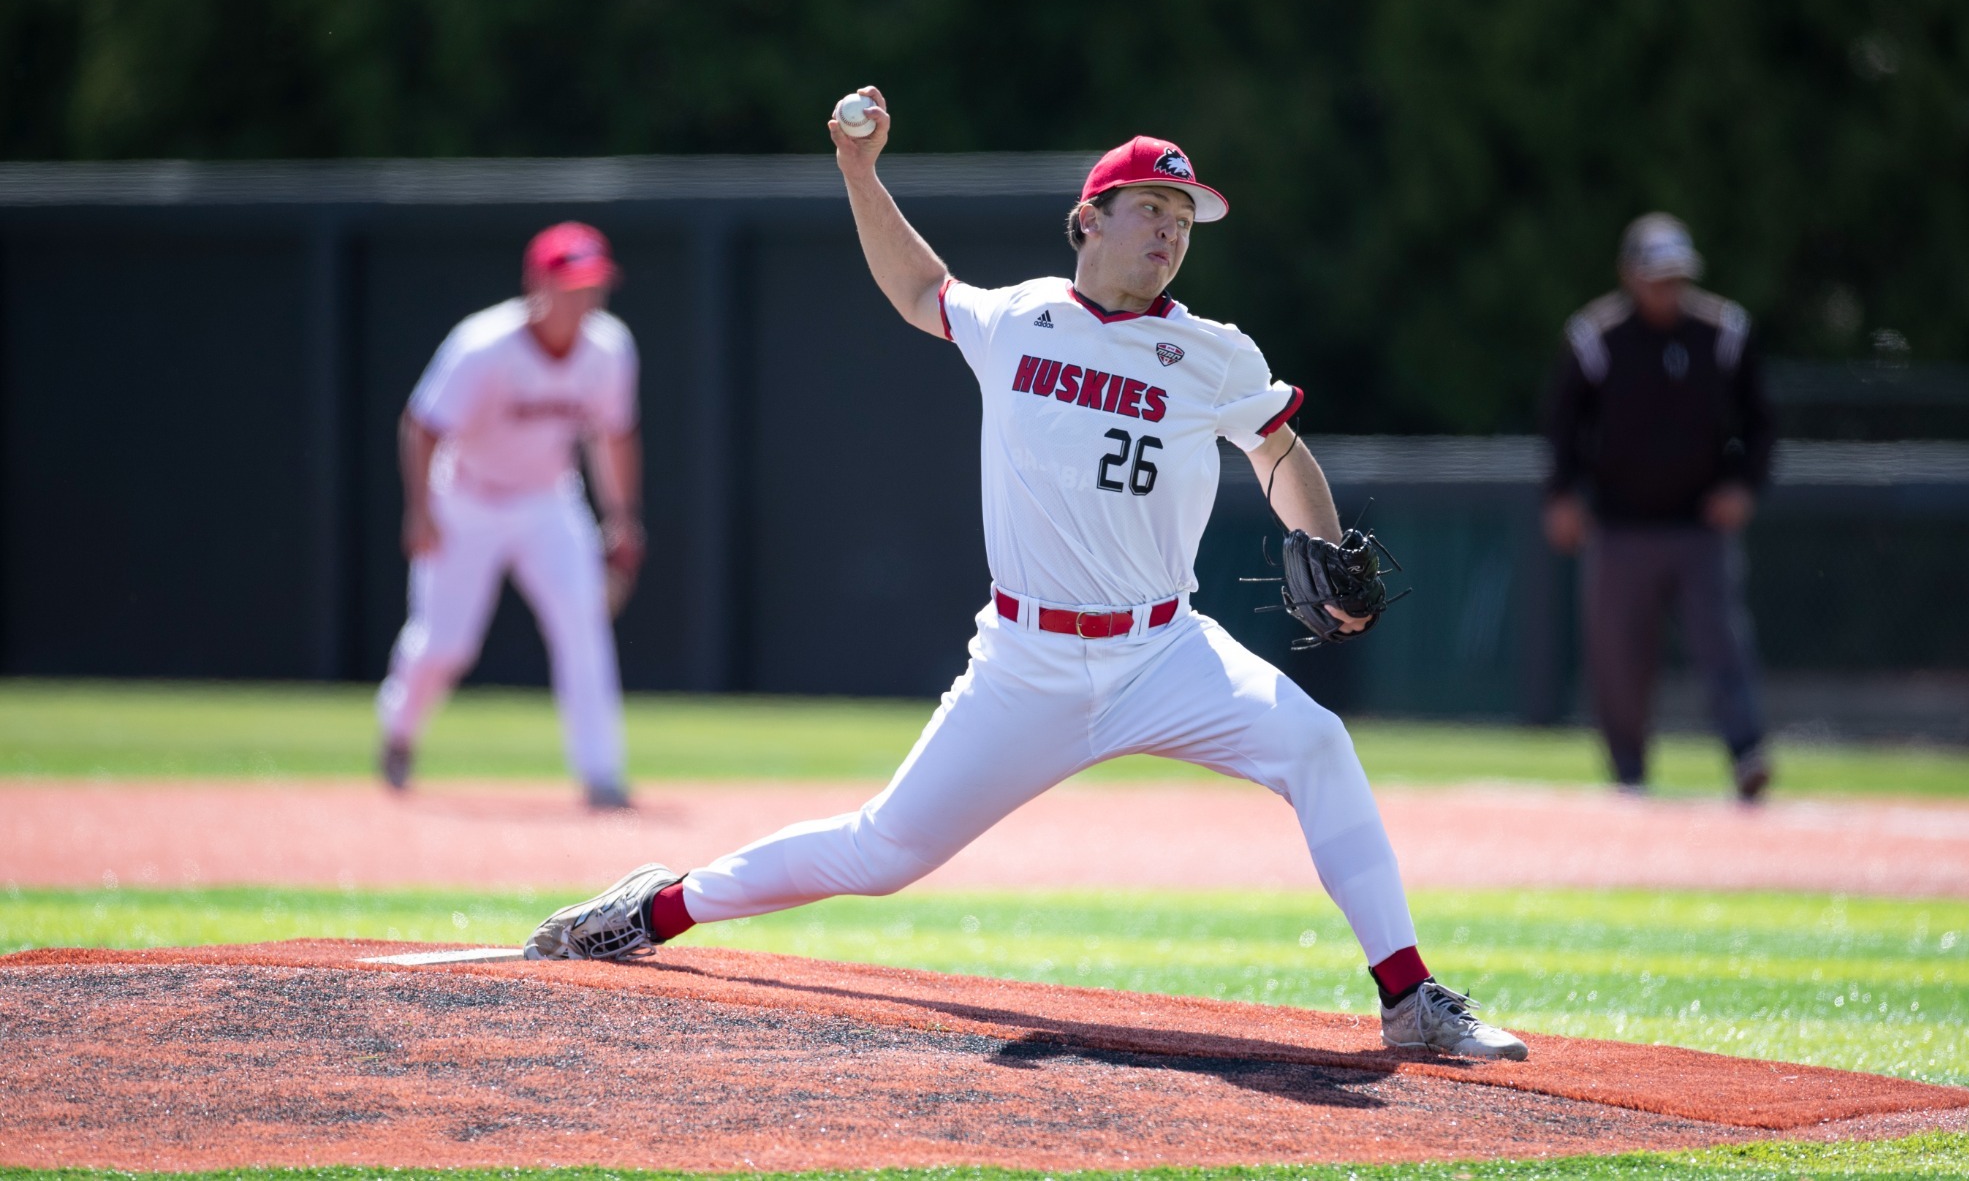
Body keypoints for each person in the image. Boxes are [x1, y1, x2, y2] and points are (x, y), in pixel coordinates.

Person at [522, 88, 1527, 1062]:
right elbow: (918, 289)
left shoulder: (1211, 353)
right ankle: (653, 907)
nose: (1170, 231)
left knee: (1314, 741)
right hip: (1027, 662)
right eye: (1151, 209)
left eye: (1183, 217)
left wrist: (1323, 538)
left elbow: (1275, 449)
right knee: (880, 855)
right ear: (1086, 219)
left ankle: (1407, 996)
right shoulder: (1018, 321)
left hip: (1165, 651)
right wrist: (857, 170)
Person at [376, 221, 646, 809]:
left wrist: (621, 514)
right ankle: (398, 731)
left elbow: (613, 436)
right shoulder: (483, 345)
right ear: (536, 282)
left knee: (583, 627)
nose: (583, 299)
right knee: (445, 645)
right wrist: (421, 511)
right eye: (572, 283)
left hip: (549, 501)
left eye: (593, 285)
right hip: (466, 499)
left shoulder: (609, 348)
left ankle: (601, 775)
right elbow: (421, 427)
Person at [1542, 213, 1777, 802]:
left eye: (1676, 278)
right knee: (1618, 655)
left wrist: (1745, 485)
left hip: (1699, 524)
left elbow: (1762, 420)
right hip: (1620, 527)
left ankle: (1747, 752)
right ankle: (1629, 772)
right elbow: (1562, 425)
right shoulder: (1597, 339)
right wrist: (1563, 495)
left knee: (1722, 641)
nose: (1667, 291)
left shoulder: (1722, 333)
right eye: (1655, 279)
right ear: (1629, 276)